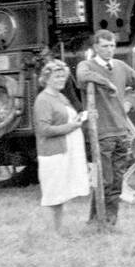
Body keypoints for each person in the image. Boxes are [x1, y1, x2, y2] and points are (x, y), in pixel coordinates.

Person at [76, 30, 135, 227]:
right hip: (101, 132)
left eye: (112, 46)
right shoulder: (87, 65)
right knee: (103, 180)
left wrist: (129, 103)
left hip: (121, 131)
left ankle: (110, 220)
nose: (109, 50)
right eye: (105, 46)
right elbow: (82, 76)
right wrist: (105, 82)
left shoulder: (121, 66)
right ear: (96, 48)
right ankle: (95, 219)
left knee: (116, 181)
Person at [34, 59, 90, 235]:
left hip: (65, 152)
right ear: (46, 78)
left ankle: (58, 231)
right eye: (56, 77)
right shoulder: (43, 100)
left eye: (63, 77)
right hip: (52, 153)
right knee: (51, 197)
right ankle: (51, 234)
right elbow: (44, 129)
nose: (60, 80)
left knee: (60, 196)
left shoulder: (60, 96)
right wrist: (71, 127)